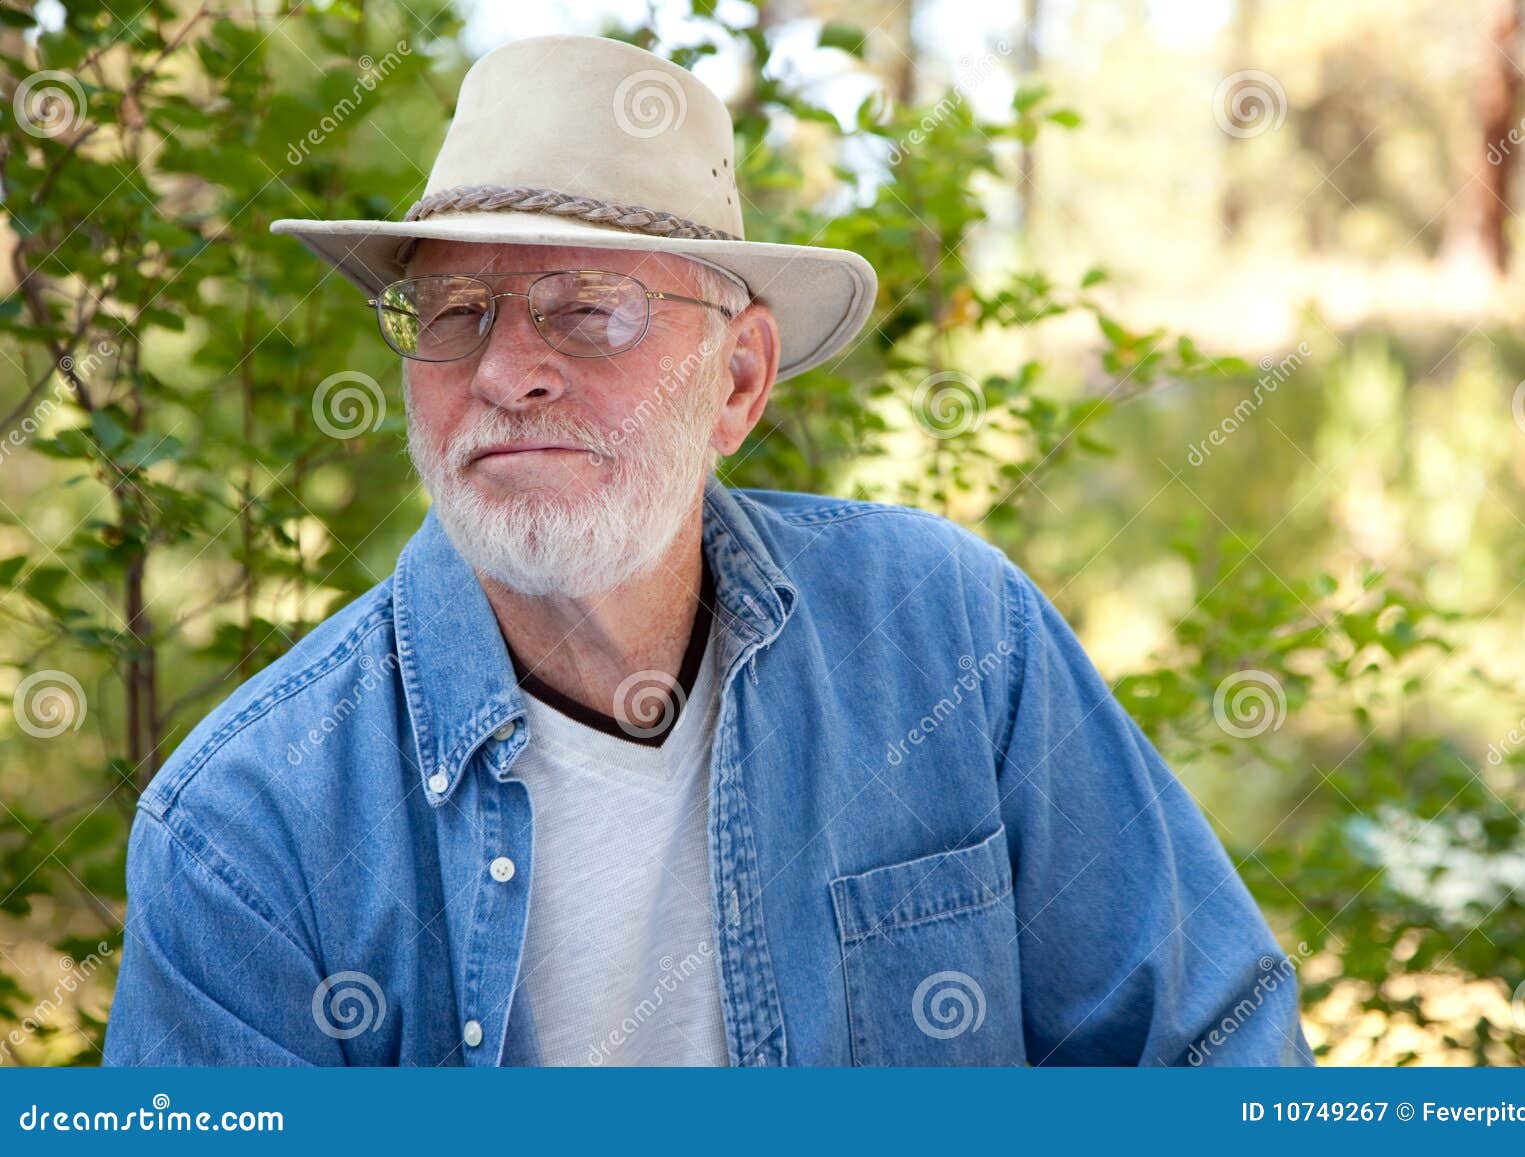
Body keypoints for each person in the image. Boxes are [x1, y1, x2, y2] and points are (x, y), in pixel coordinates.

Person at [103, 33, 1313, 1067]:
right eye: (455, 312)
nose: (505, 367)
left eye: (587, 309)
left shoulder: (949, 635)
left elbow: (1209, 1042)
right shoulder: (245, 827)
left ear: (737, 380)